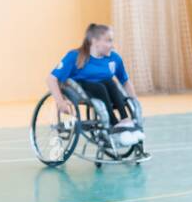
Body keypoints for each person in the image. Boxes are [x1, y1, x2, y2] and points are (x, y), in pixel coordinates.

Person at [45, 24, 146, 155]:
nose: (112, 45)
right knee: (101, 85)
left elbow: (125, 81)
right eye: (108, 40)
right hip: (81, 88)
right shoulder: (74, 56)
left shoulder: (114, 59)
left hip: (106, 89)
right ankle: (112, 124)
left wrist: (134, 101)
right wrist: (60, 102)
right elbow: (51, 79)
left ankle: (125, 120)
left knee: (110, 83)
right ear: (94, 41)